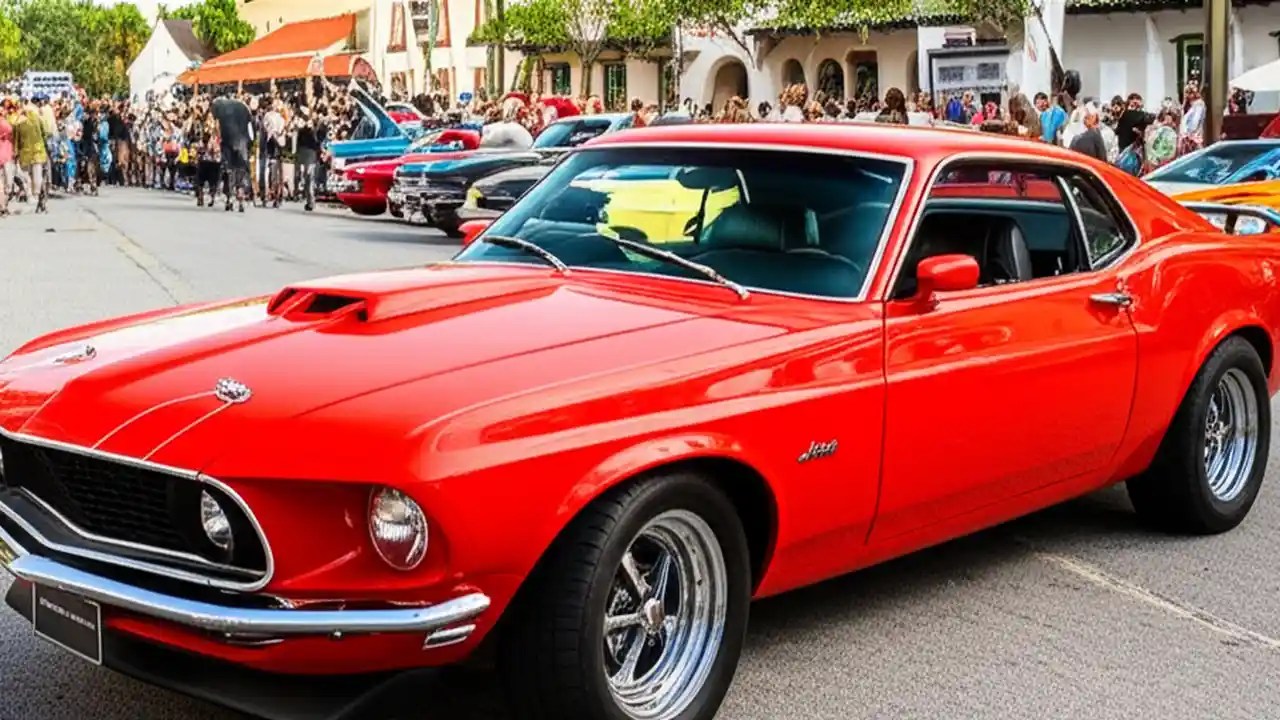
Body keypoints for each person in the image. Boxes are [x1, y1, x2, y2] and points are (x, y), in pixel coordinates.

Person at [291, 105, 321, 212]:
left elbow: (315, 140)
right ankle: (307, 199)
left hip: (309, 153)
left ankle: (310, 201)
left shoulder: (311, 127)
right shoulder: (301, 126)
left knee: (308, 177)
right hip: (305, 152)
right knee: (305, 177)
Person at [0, 104, 12, 216]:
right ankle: (3, 206)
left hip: (5, 156)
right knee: (6, 183)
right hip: (5, 157)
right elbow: (9, 129)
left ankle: (3, 206)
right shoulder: (3, 123)